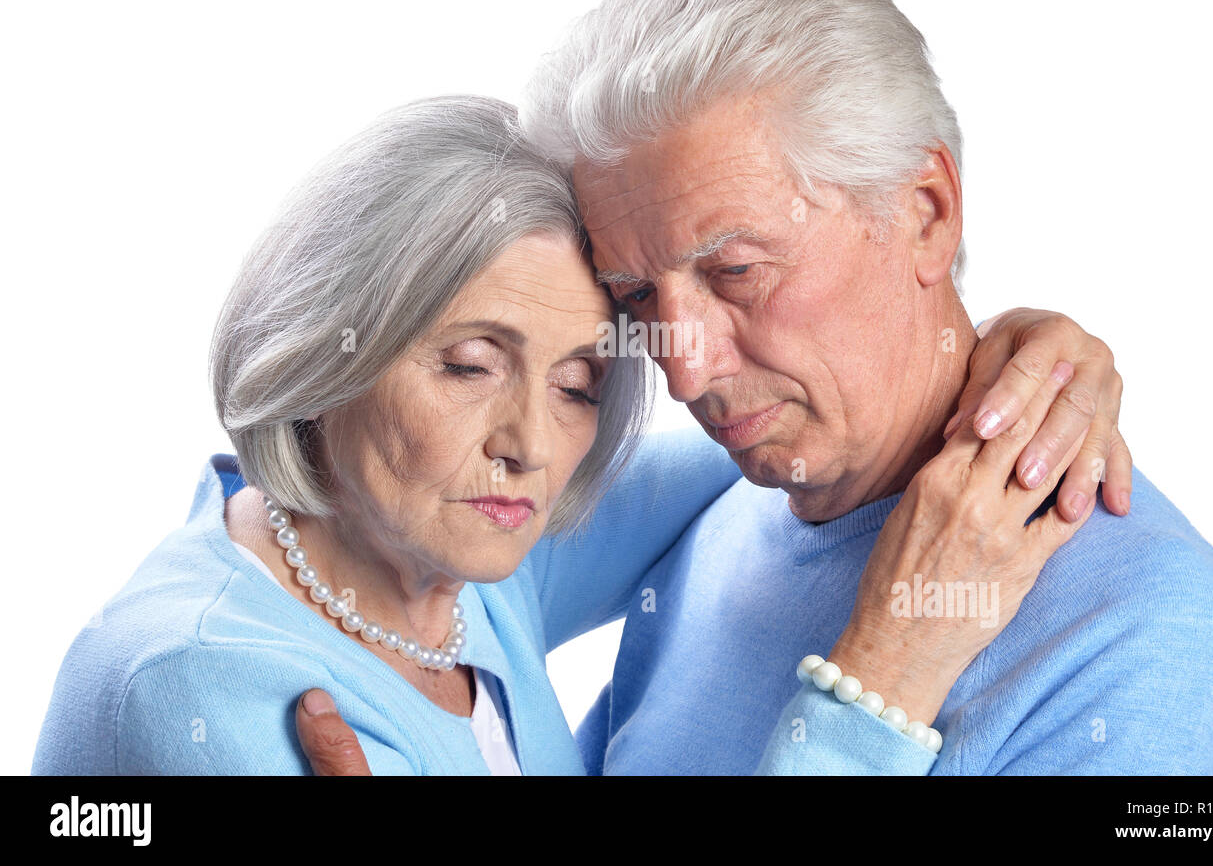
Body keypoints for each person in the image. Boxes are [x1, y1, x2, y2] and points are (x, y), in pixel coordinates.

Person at [296, 0, 1213, 775]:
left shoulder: (1150, 629)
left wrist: (880, 671)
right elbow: (318, 520)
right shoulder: (723, 503)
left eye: (738, 269)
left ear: (924, 212)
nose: (685, 371)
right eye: (636, 296)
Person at [32, 94, 1127, 775]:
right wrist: (883, 674)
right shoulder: (196, 690)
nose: (531, 445)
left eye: (577, 382)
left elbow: (779, 426)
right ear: (324, 352)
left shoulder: (454, 554)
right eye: (468, 364)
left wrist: (994, 356)